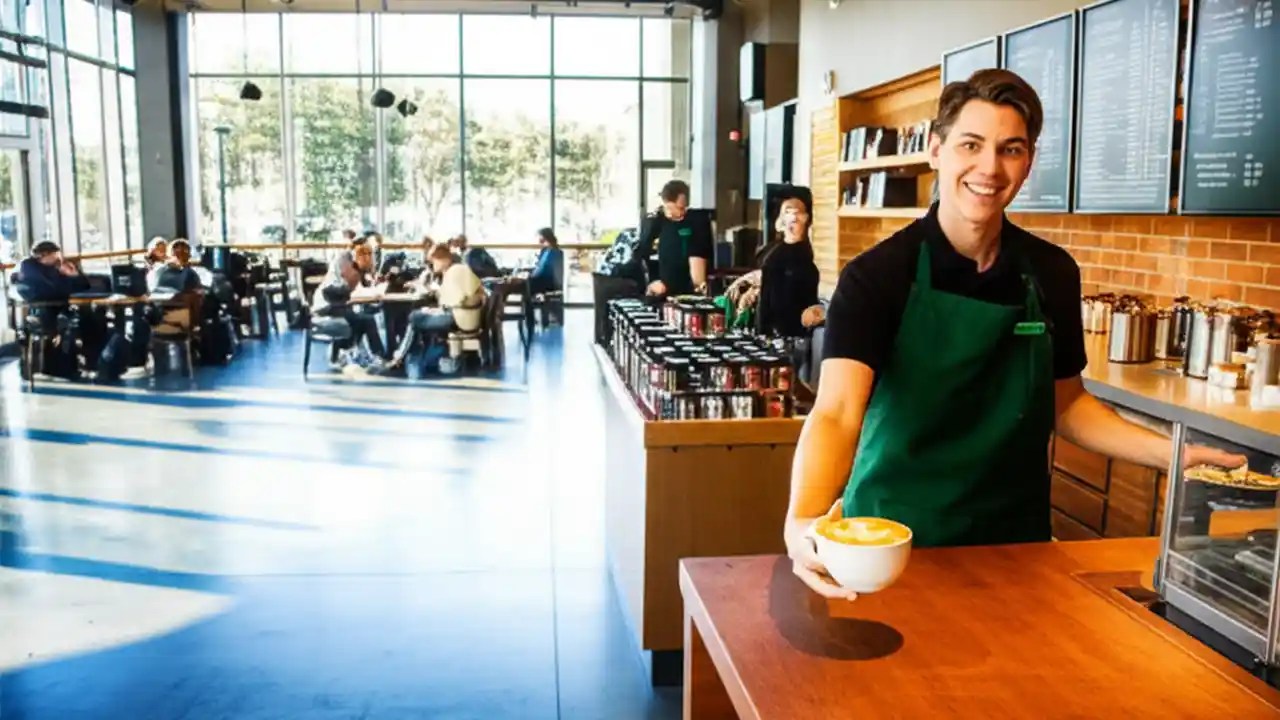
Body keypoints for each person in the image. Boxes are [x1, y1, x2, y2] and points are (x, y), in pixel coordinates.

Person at [783, 69, 1244, 600]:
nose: (989, 167)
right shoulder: (879, 276)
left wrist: (1174, 455)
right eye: (971, 145)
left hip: (1014, 549)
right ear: (936, 150)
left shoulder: (1050, 272)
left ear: (1028, 163)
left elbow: (1067, 405)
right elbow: (838, 413)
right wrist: (802, 520)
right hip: (893, 547)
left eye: (1010, 149)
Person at [725, 190, 824, 340]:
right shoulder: (772, 255)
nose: (792, 219)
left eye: (796, 214)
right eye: (788, 213)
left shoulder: (806, 262)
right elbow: (766, 301)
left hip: (795, 335)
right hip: (771, 333)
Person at [389, 243, 484, 368]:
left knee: (414, 317)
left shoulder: (454, 272)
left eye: (433, 262)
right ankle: (407, 358)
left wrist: (434, 308)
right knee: (420, 315)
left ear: (442, 260)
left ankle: (400, 358)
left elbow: (451, 303)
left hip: (458, 318)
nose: (432, 266)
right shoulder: (459, 269)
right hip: (467, 317)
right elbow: (458, 298)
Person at [313, 237, 386, 362]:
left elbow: (360, 286)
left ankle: (377, 355)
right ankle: (349, 351)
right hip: (327, 304)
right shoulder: (345, 259)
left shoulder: (355, 264)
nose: (368, 254)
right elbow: (347, 286)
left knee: (366, 319)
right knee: (360, 318)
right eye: (365, 251)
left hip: (339, 303)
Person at [637, 179, 713, 298]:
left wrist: (699, 284)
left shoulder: (696, 221)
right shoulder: (655, 223)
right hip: (662, 290)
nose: (682, 212)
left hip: (688, 289)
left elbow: (699, 255)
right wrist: (652, 282)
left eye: (684, 208)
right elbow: (642, 255)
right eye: (678, 208)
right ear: (666, 203)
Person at [528, 228, 564, 295]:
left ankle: (528, 303)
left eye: (540, 236)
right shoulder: (545, 250)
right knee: (526, 282)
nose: (539, 239)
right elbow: (540, 267)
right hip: (543, 278)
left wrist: (532, 276)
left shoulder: (555, 252)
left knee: (526, 284)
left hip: (549, 281)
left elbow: (545, 270)